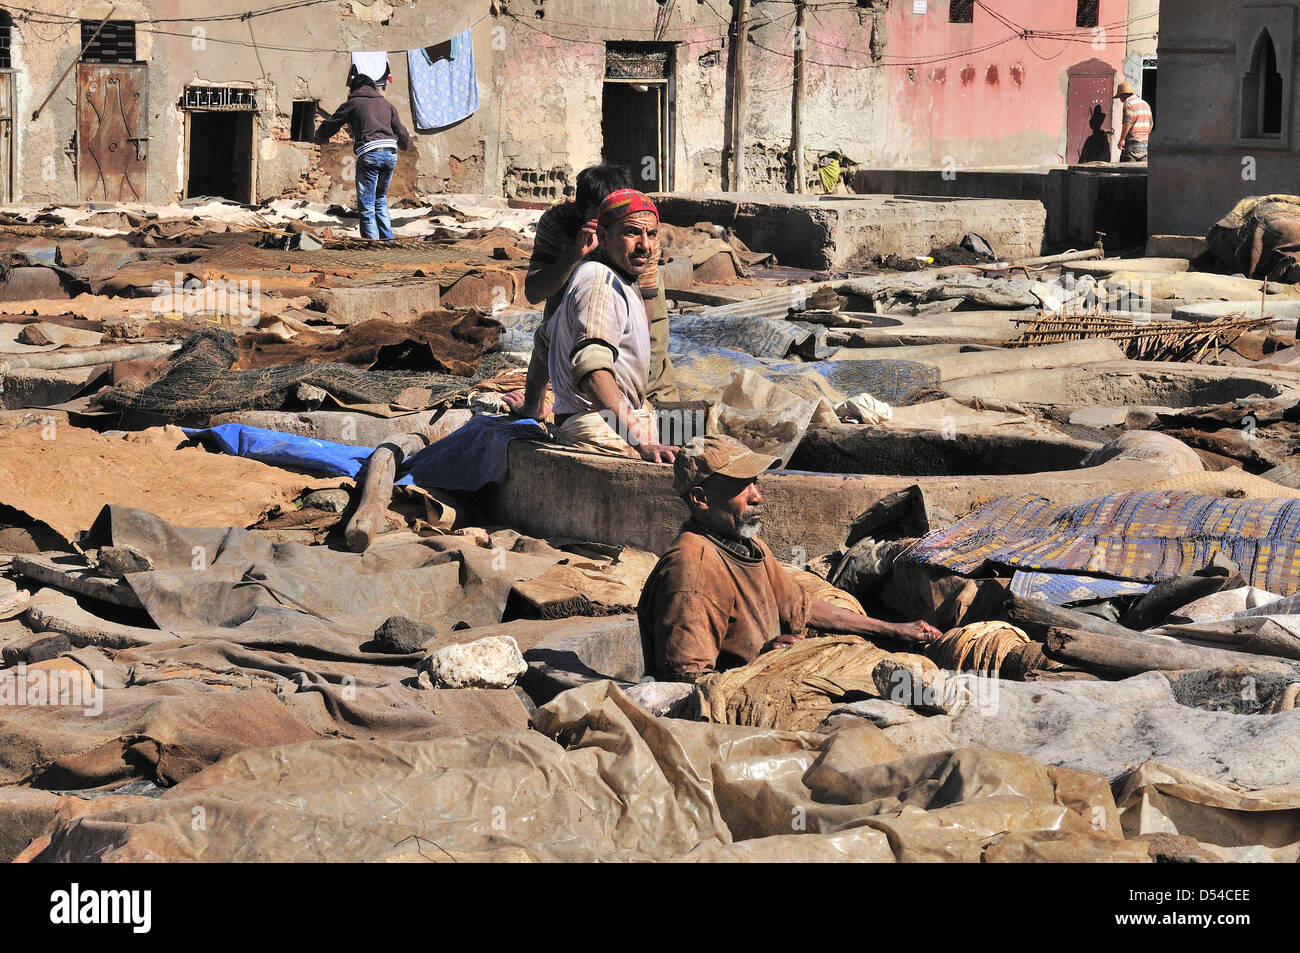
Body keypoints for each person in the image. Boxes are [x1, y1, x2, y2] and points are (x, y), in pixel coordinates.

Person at [638, 434, 943, 683]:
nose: (757, 496)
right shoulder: (693, 569)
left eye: (755, 482)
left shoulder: (748, 545)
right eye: (740, 486)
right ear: (701, 499)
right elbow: (684, 684)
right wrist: (761, 662)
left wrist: (893, 628)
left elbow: (802, 606)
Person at [504, 163, 678, 422]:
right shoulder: (557, 222)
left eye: (616, 222)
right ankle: (533, 406)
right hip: (573, 277)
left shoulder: (639, 227)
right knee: (552, 335)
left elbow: (645, 304)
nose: (603, 230)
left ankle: (654, 412)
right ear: (580, 211)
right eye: (599, 220)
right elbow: (534, 293)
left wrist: (632, 412)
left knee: (649, 362)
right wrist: (575, 255)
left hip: (632, 284)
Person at [542, 188, 679, 463]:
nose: (645, 245)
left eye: (651, 234)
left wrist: (531, 406)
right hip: (600, 435)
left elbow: (543, 341)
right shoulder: (599, 284)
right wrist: (642, 441)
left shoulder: (618, 280)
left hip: (614, 428)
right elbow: (593, 371)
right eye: (632, 233)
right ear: (603, 237)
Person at [315, 73, 412, 240]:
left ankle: (372, 244)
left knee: (366, 202)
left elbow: (331, 124)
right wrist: (406, 146)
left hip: (370, 152)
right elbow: (401, 131)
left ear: (354, 89)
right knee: (380, 197)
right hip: (390, 153)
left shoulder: (353, 103)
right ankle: (387, 239)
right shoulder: (386, 104)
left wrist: (321, 137)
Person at [1114, 81, 1153, 163]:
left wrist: (1122, 140)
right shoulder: (1145, 104)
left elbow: (1127, 122)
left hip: (1132, 144)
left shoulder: (1128, 104)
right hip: (1145, 144)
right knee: (1142, 172)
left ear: (1123, 95)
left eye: (1120, 97)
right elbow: (1151, 123)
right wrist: (1144, 135)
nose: (1121, 100)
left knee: (1127, 172)